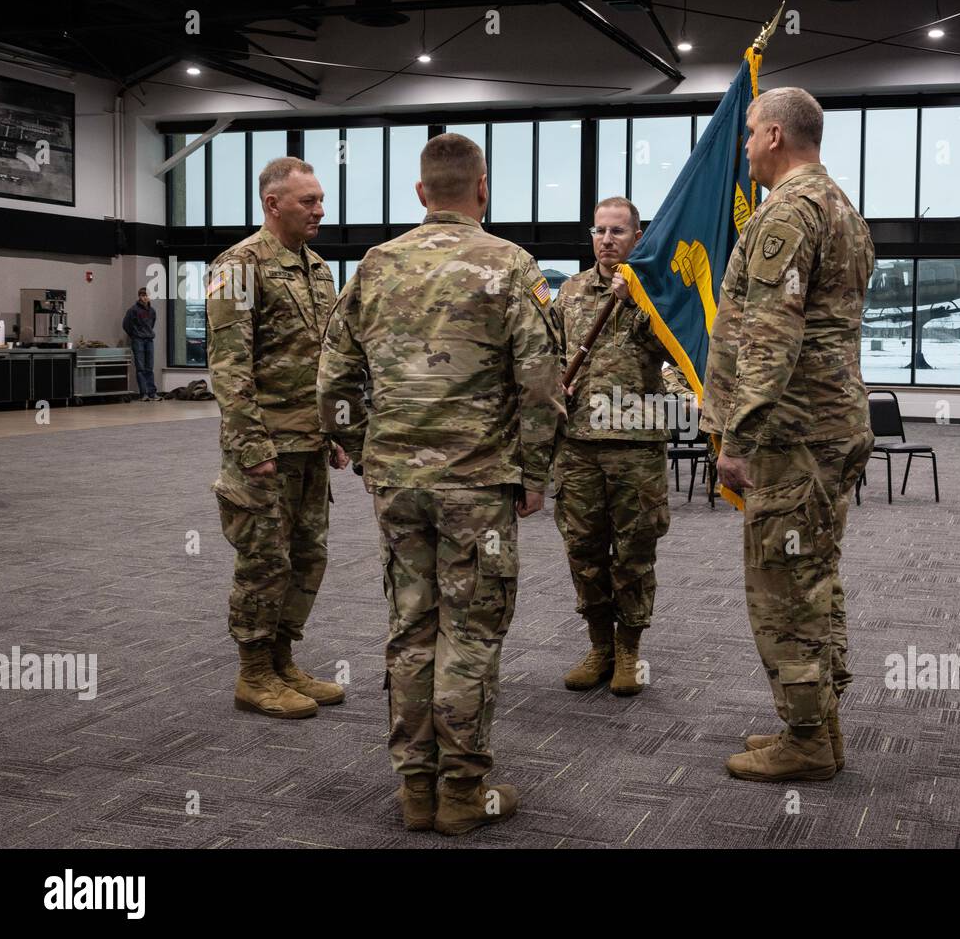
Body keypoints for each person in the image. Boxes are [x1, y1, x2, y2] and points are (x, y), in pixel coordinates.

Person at [318, 133, 563, 835]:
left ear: (421, 193)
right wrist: (536, 471)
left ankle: (415, 788)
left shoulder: (376, 265)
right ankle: (461, 791)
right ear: (481, 189)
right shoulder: (510, 264)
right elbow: (542, 383)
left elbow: (333, 376)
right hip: (479, 484)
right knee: (472, 631)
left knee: (411, 627)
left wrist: (360, 446)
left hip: (397, 482)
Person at [702, 87, 875, 783]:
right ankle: (818, 723)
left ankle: (805, 738)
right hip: (828, 427)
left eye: (749, 133)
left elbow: (772, 338)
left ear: (775, 135)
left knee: (784, 583)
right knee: (814, 574)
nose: (743, 145)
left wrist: (737, 437)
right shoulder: (841, 207)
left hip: (794, 435)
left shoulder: (790, 212)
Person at [205, 156, 349, 722]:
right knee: (264, 561)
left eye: (319, 199)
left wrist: (334, 430)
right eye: (307, 201)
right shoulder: (241, 266)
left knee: (306, 558)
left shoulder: (315, 267)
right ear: (273, 204)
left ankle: (283, 660)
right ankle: (254, 673)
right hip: (264, 451)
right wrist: (252, 447)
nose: (319, 209)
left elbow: (326, 362)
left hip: (309, 444)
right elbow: (228, 366)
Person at [553, 197, 671, 696]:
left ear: (637, 238)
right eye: (599, 230)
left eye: (617, 231)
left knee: (634, 552)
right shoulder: (571, 293)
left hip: (635, 445)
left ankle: (629, 649)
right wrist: (552, 385)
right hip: (579, 444)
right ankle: (599, 644)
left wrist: (641, 302)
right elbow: (549, 353)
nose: (606, 239)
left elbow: (683, 352)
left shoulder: (658, 294)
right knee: (583, 550)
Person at [122, 287, 158, 400]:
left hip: (149, 340)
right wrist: (135, 335)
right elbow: (126, 325)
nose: (145, 297)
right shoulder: (133, 310)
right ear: (139, 297)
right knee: (141, 368)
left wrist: (147, 333)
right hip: (138, 341)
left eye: (147, 295)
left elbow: (152, 324)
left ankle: (152, 393)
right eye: (143, 295)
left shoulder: (152, 311)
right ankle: (144, 393)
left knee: (150, 367)